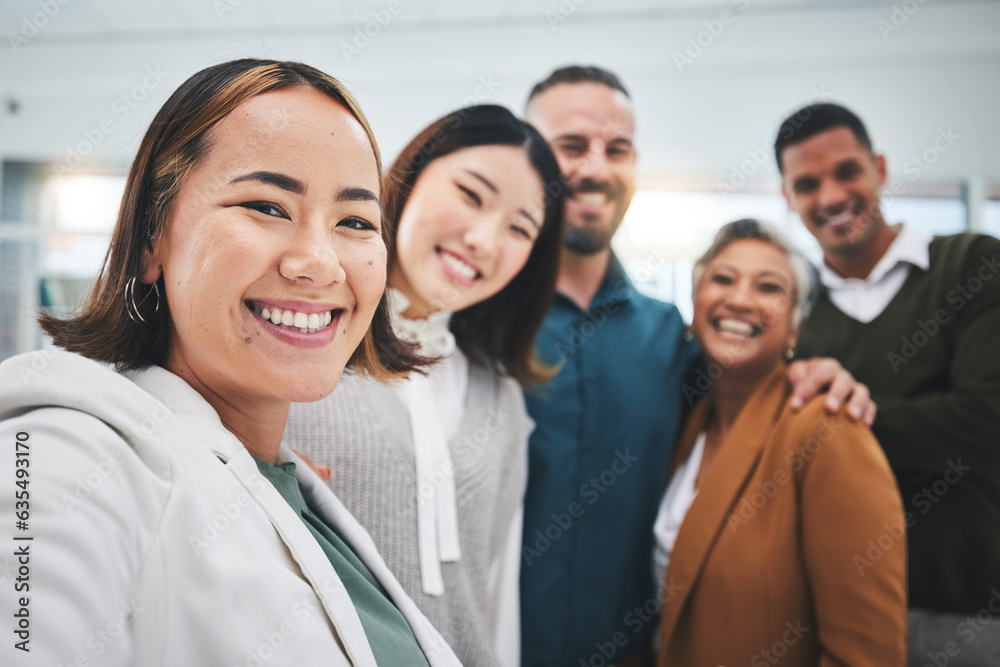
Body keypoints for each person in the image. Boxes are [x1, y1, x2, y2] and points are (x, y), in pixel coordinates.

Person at [0, 59, 462, 667]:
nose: (319, 263)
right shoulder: (69, 451)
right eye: (268, 207)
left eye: (354, 221)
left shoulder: (294, 492)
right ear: (150, 241)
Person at [518, 65, 877, 667]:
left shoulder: (672, 339)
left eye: (619, 149)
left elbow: (750, 388)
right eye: (573, 147)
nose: (597, 169)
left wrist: (817, 372)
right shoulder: (474, 326)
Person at [284, 104, 565, 667]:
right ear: (408, 178)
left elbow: (495, 594)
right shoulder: (301, 344)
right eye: (471, 194)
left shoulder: (500, 400)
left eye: (519, 228)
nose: (485, 239)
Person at [776, 102, 1000, 664]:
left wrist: (843, 419)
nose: (830, 197)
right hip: (838, 614)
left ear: (879, 167)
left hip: (972, 611)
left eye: (846, 171)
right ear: (787, 197)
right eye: (807, 184)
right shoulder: (794, 315)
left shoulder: (972, 265)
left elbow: (987, 420)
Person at [652, 219, 907, 665]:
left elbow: (869, 654)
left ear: (795, 327)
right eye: (723, 279)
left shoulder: (828, 430)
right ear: (695, 306)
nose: (739, 299)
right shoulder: (684, 419)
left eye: (768, 287)